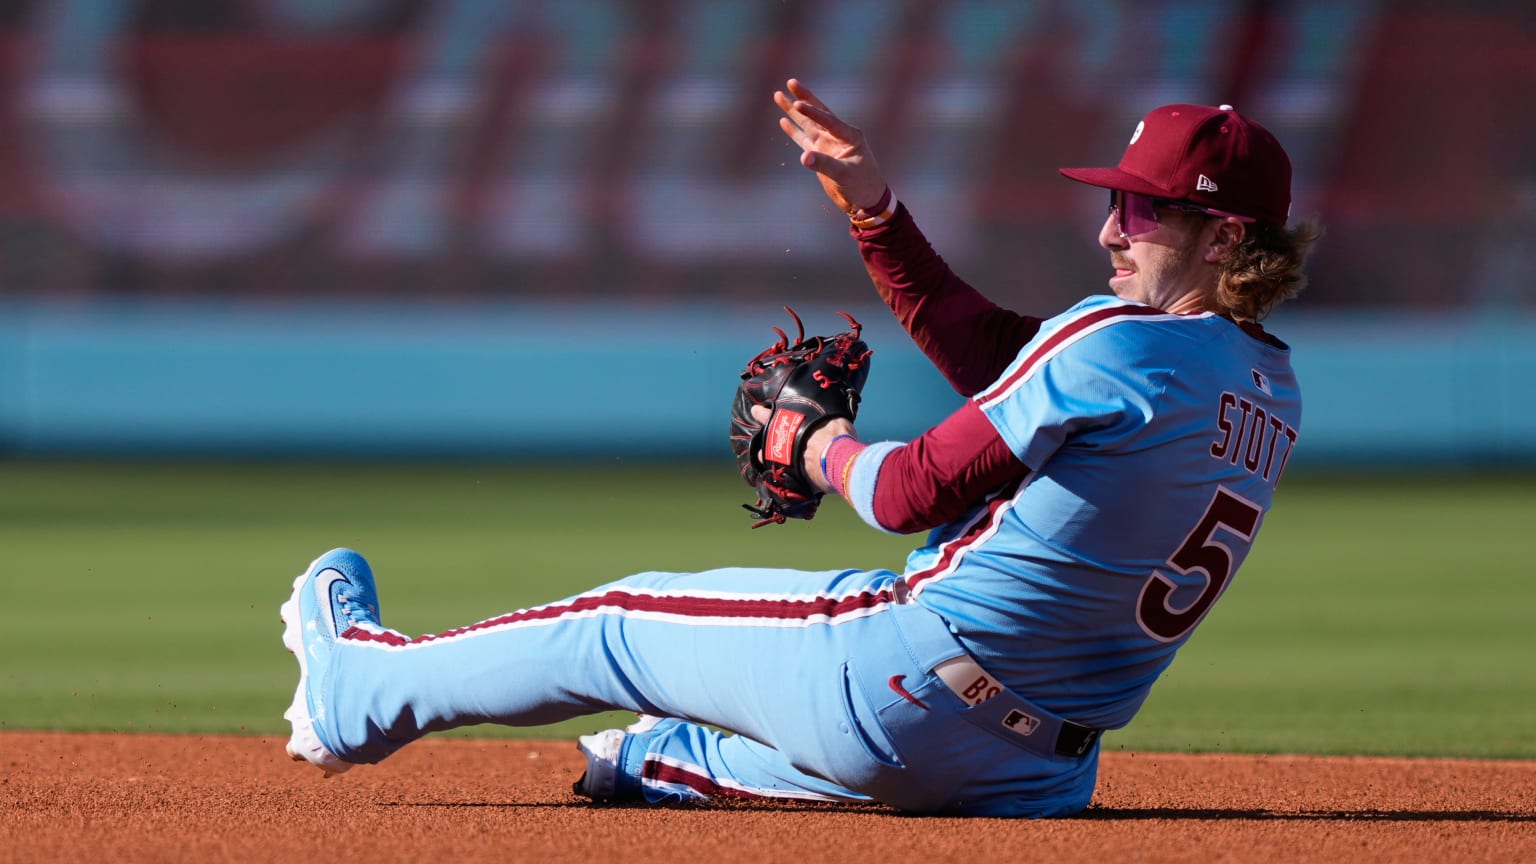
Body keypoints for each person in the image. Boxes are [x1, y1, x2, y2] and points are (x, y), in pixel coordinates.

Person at [279, 78, 1323, 818]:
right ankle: (661, 764)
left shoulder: (1120, 338)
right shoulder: (1267, 386)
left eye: (1142, 209)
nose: (1111, 229)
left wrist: (817, 444)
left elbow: (911, 492)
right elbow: (1009, 358)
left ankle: (355, 694)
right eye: (1115, 200)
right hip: (1037, 778)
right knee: (822, 728)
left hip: (898, 690)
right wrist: (879, 215)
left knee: (614, 622)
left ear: (1224, 239)